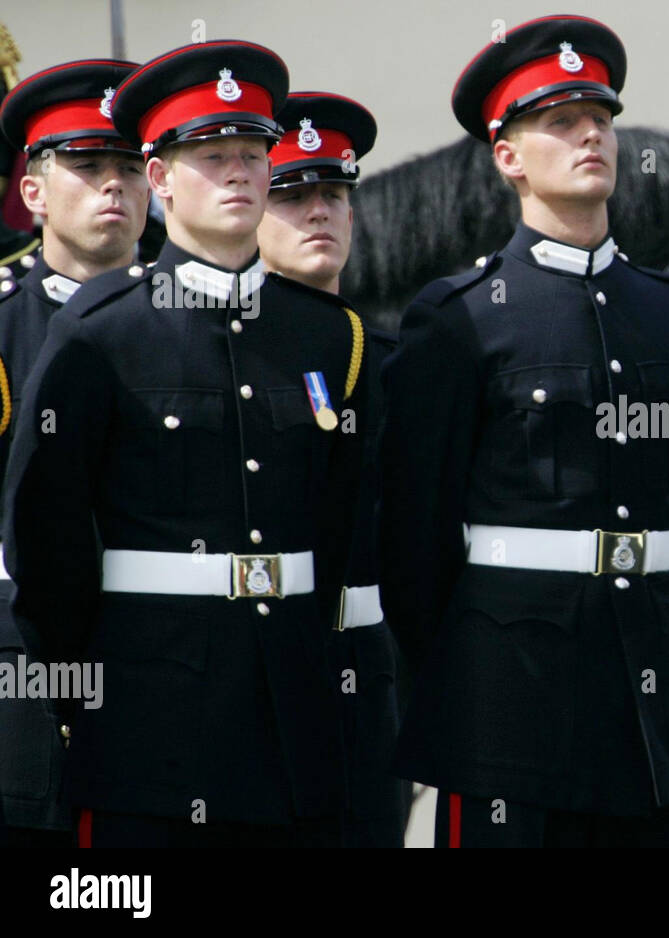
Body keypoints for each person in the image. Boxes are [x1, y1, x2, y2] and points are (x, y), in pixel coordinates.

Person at [2, 40, 368, 847]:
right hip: (148, 723)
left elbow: (346, 531)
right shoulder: (100, 334)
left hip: (292, 719)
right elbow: (49, 544)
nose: (238, 171)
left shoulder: (327, 335)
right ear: (160, 179)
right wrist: (85, 698)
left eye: (251, 152)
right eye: (209, 155)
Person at [378, 14, 669, 847]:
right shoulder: (458, 319)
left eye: (600, 117)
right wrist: (465, 676)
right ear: (509, 157)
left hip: (648, 693)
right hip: (508, 701)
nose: (591, 133)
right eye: (561, 121)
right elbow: (415, 535)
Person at [0, 57, 148, 848]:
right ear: (33, 192)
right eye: (88, 168)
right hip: (18, 661)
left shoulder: (196, 322)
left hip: (161, 654)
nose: (113, 189)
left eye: (129, 168)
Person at [257, 90, 407, 847]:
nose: (320, 211)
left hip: (368, 677)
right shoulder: (226, 352)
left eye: (334, 194)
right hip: (253, 675)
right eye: (293, 194)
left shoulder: (398, 365)